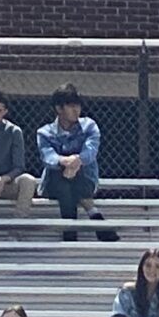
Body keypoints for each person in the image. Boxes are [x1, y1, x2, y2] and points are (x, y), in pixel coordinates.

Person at [34, 85, 101, 234]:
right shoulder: (45, 132)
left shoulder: (89, 126)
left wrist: (76, 161)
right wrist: (66, 162)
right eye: (71, 106)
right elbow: (47, 157)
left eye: (78, 105)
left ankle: (70, 232)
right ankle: (93, 212)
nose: (76, 110)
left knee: (67, 181)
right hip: (54, 184)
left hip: (86, 182)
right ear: (59, 108)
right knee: (60, 177)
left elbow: (91, 151)